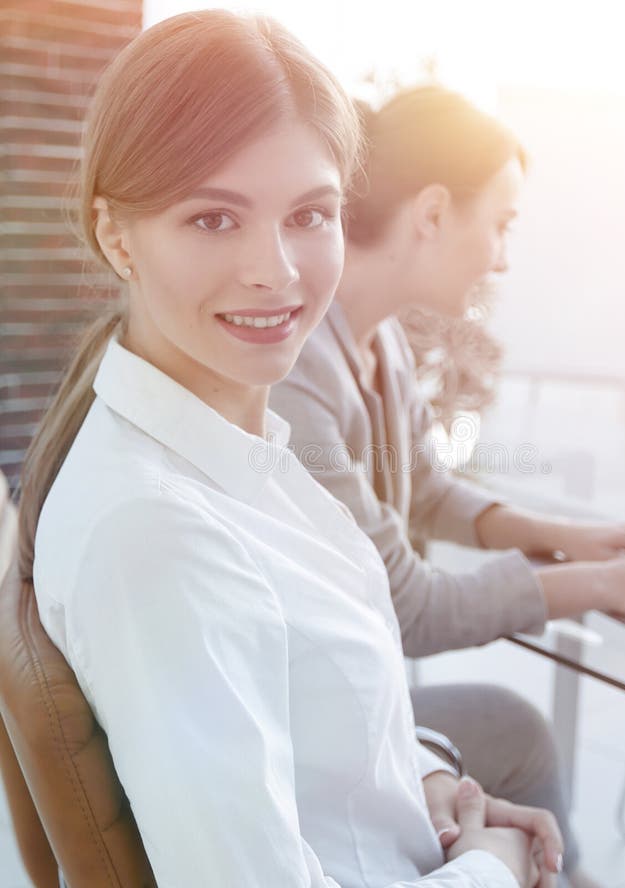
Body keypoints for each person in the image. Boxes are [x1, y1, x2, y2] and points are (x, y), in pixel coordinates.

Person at [15, 13, 564, 888]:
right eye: (212, 219)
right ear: (118, 236)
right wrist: (495, 865)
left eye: (310, 213)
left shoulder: (227, 445)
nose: (277, 270)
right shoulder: (158, 537)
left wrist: (423, 777)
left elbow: (310, 695)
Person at [270, 86, 625, 887]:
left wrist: (563, 537)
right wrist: (600, 582)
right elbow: (411, 607)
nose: (503, 256)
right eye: (501, 224)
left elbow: (424, 490)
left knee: (514, 729)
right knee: (513, 726)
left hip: (340, 699)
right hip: (297, 724)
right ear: (431, 214)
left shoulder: (375, 341)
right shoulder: (297, 374)